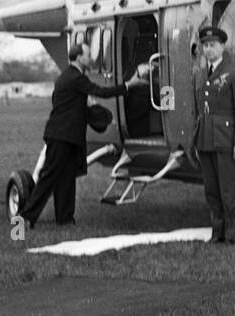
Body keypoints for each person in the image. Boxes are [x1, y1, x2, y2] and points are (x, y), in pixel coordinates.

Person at [19, 42, 143, 227]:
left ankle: (65, 219)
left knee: (67, 178)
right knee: (49, 177)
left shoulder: (66, 77)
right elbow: (102, 92)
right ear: (78, 57)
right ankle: (24, 219)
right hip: (61, 136)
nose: (90, 58)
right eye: (87, 55)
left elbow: (59, 102)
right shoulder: (75, 77)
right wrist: (128, 85)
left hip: (67, 136)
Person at [191, 24, 235, 243]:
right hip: (205, 139)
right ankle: (217, 233)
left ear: (222, 46)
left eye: (212, 45)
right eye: (205, 45)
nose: (208, 49)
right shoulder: (198, 75)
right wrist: (195, 140)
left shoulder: (234, 74)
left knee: (227, 191)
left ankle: (232, 234)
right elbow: (196, 110)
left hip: (226, 140)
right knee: (211, 191)